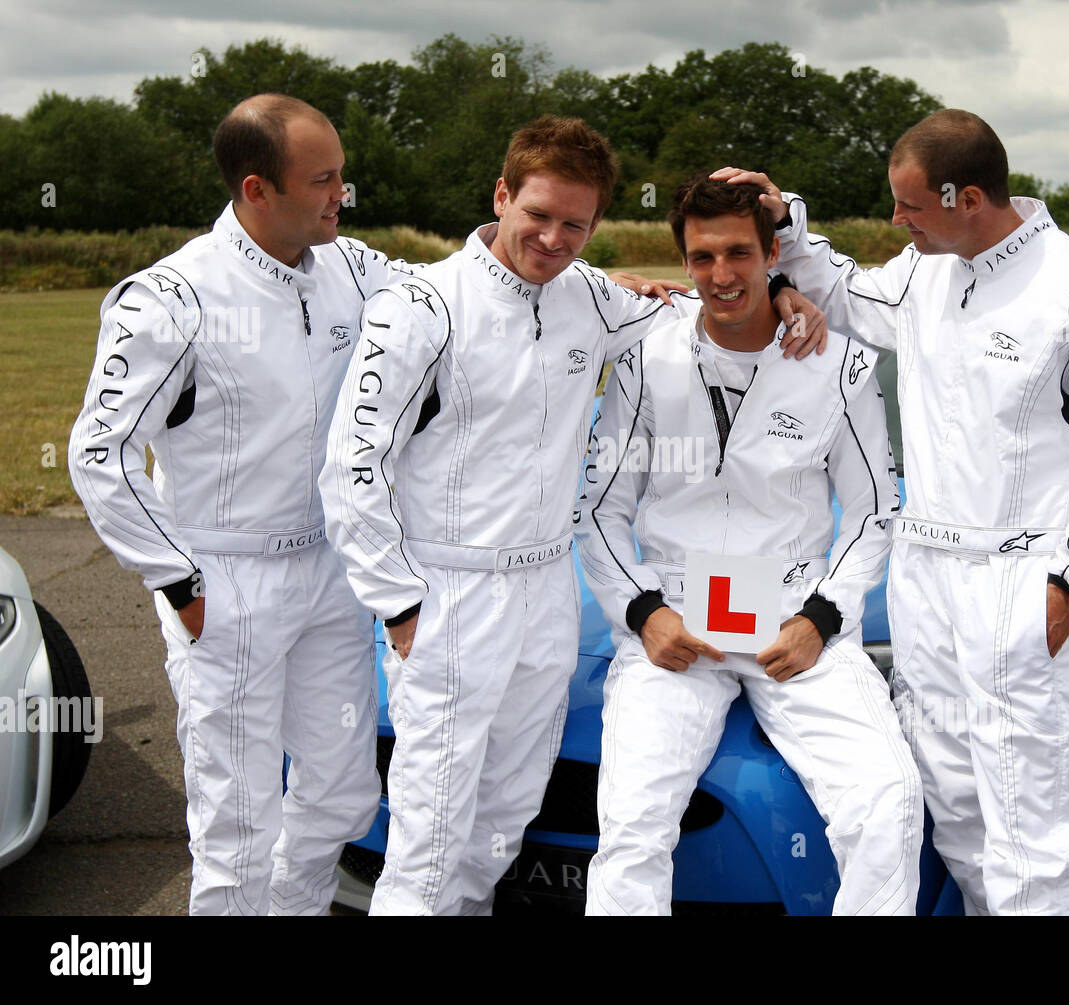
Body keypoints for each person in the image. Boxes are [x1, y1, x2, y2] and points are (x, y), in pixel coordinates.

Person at [318, 116, 826, 915]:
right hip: (450, 591)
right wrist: (399, 601)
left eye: (575, 225)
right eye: (538, 215)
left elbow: (717, 309)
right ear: (501, 194)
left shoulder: (593, 296)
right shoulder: (418, 305)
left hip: (550, 590)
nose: (553, 239)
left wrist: (786, 284)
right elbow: (352, 464)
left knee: (507, 814)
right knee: (430, 831)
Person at [715, 108, 1069, 915]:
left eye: (908, 206)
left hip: (1021, 575)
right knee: (952, 802)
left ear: (965, 196)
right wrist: (785, 223)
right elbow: (847, 296)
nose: (897, 221)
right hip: (923, 570)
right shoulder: (928, 271)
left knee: (1028, 821)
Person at [68, 93, 415, 915]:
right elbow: (99, 451)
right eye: (324, 179)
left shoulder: (351, 267)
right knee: (237, 828)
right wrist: (179, 582)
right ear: (258, 189)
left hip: (331, 574)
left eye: (343, 176)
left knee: (340, 797)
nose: (343, 195)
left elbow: (475, 288)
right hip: (224, 580)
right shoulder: (171, 299)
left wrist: (619, 288)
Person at [574, 175, 921, 915]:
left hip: (795, 626)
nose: (721, 275)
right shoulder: (644, 358)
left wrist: (821, 620)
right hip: (677, 628)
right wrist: (644, 614)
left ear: (773, 256)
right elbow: (601, 508)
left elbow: (871, 514)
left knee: (888, 802)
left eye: (739, 253)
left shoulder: (840, 365)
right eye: (702, 258)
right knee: (632, 828)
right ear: (684, 260)